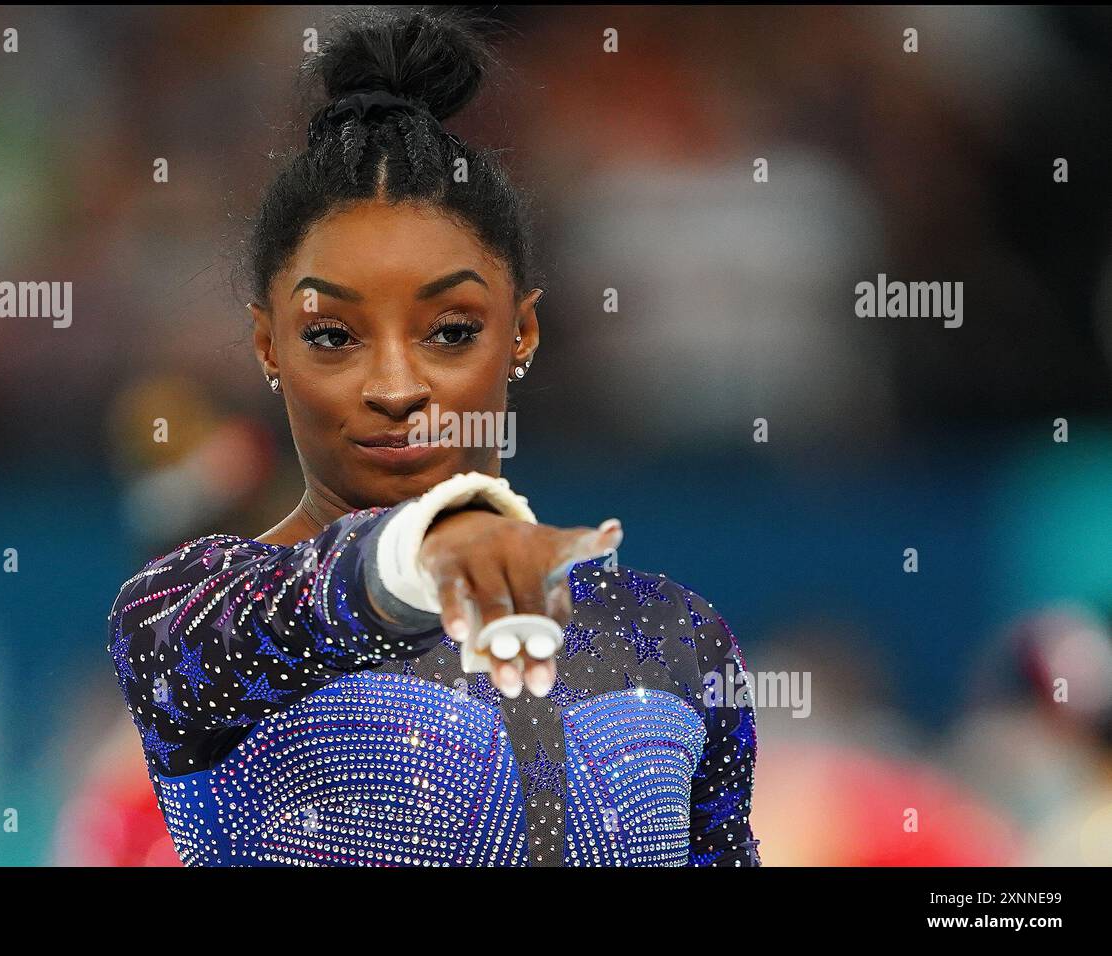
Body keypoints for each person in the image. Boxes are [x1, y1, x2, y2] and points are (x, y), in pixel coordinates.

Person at [107, 7, 759, 867]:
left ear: (521, 333)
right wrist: (421, 547)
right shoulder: (186, 617)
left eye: (450, 330)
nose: (395, 387)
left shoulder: (671, 637)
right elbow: (283, 616)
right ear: (268, 345)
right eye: (332, 335)